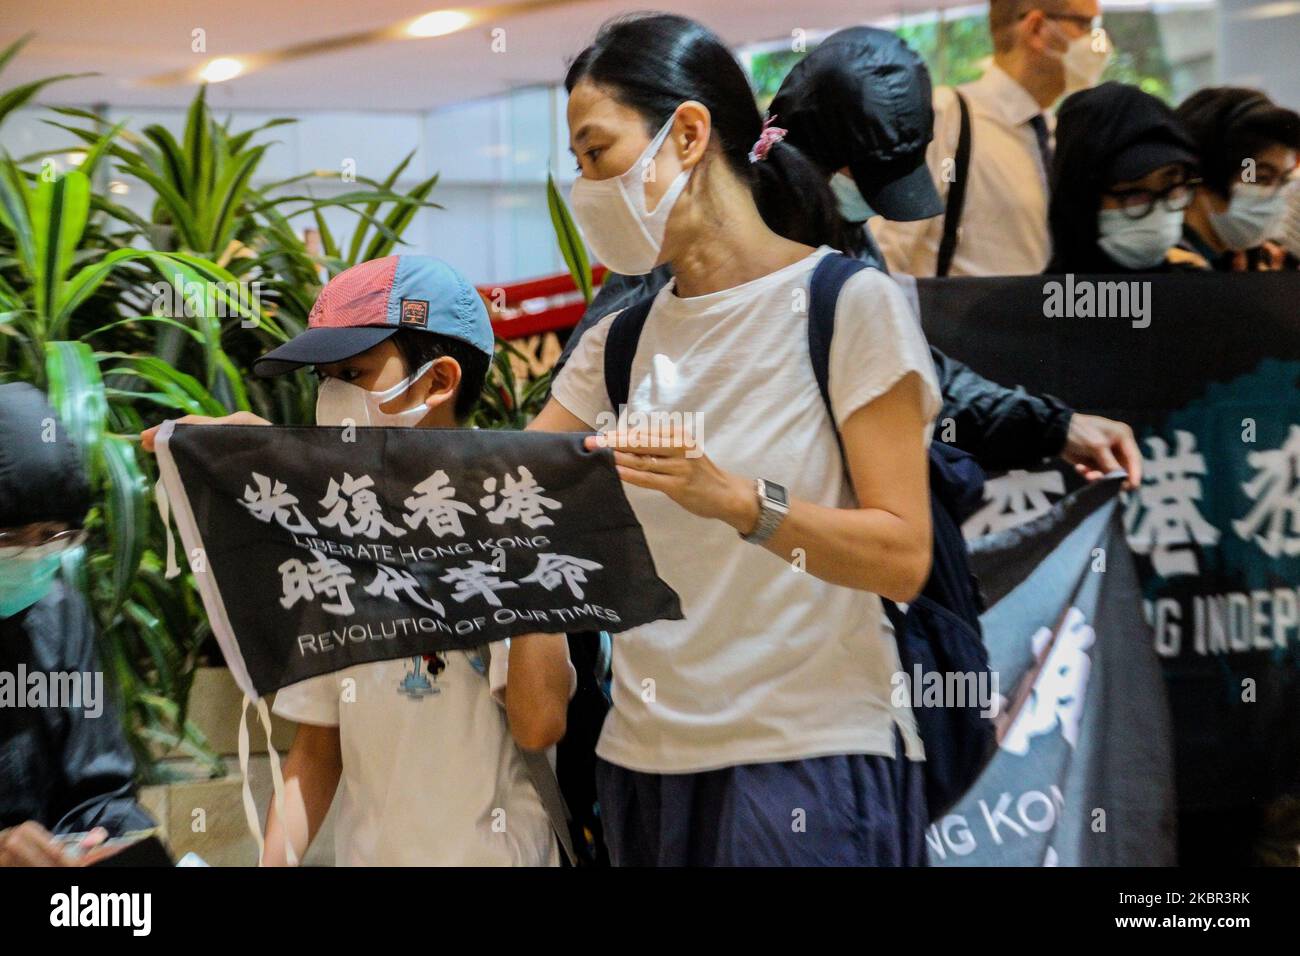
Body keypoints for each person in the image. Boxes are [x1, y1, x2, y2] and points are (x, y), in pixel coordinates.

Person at [527, 13, 939, 866]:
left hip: (807, 762)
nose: (584, 183)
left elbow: (902, 555)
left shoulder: (848, 305)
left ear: (686, 134)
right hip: (646, 766)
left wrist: (740, 502)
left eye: (596, 153)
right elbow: (505, 488)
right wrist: (269, 455)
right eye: (576, 161)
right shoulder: (619, 342)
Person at [557, 25, 1141, 485]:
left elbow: (921, 392)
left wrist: (1053, 426)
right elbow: (566, 435)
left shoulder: (849, 263)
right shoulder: (677, 254)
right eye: (585, 157)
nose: (875, 207)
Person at [143, 255, 577, 866]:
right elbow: (319, 752)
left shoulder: (507, 520)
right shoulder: (337, 547)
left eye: (354, 370)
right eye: (325, 377)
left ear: (438, 381)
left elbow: (539, 725)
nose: (332, 394)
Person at [0, 383, 155, 867]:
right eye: (9, 536)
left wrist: (115, 841)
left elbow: (100, 789)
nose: (34, 554)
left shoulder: (59, 613)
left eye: (51, 535)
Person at [875, 0, 1111, 277]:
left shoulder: (1056, 133)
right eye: (1085, 25)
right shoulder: (945, 118)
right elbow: (882, 255)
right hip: (952, 318)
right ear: (1037, 28)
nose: (1100, 42)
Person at [1046, 82, 1202, 273]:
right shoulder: (1040, 300)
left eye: (1171, 186)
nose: (1158, 212)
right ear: (1082, 200)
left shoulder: (1198, 292)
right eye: (1134, 191)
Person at [1174, 86, 1300, 271]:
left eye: (1283, 180)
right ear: (1203, 173)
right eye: (1261, 178)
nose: (1278, 198)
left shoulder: (1241, 263)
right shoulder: (1173, 273)